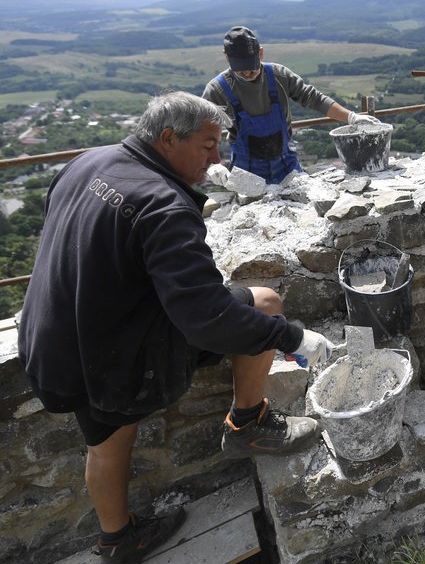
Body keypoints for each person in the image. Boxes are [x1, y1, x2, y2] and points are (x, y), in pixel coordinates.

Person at [17, 91, 336, 562]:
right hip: (111, 350)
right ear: (168, 138)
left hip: (54, 339)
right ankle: (247, 422)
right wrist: (292, 337)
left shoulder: (91, 161)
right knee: (265, 305)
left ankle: (117, 539)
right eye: (208, 145)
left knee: (104, 442)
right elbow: (210, 318)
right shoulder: (163, 205)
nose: (218, 157)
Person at [202, 25, 379, 185]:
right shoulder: (218, 90)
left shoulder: (279, 76)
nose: (248, 73)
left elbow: (315, 98)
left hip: (287, 167)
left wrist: (351, 117)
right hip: (246, 175)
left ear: (261, 53)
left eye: (252, 66)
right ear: (227, 58)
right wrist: (211, 165)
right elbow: (200, 133)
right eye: (241, 69)